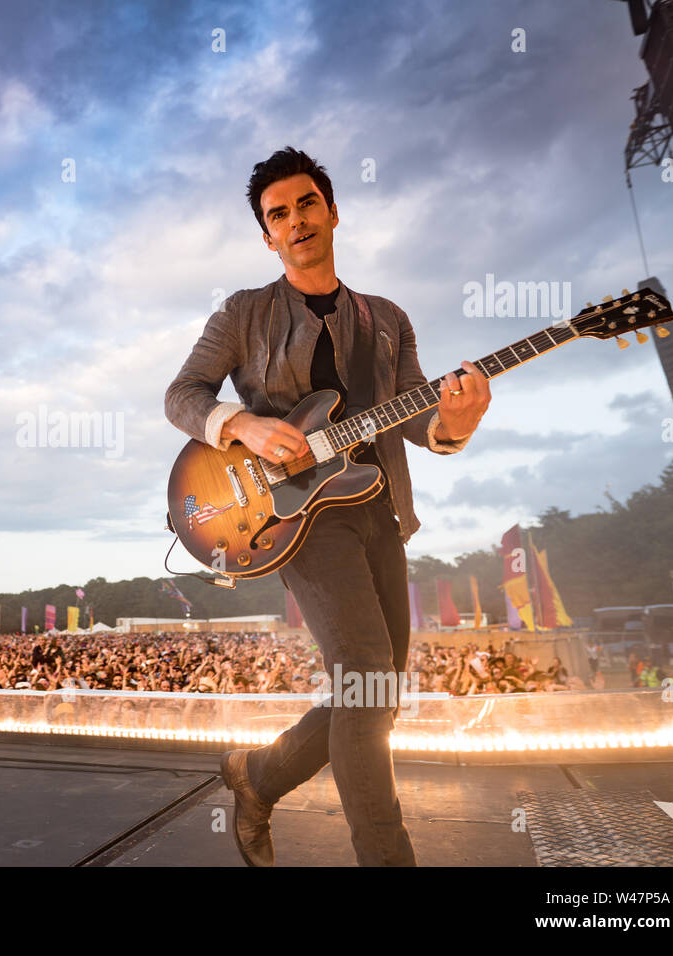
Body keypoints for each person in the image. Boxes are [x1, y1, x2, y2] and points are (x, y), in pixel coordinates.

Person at [164, 147, 490, 866]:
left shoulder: (387, 318)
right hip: (296, 517)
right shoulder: (244, 314)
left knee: (376, 692)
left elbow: (414, 416)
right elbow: (182, 396)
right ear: (267, 236)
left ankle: (259, 774)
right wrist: (241, 425)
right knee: (367, 674)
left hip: (380, 510)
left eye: (306, 203)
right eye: (278, 214)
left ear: (332, 212)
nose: (296, 220)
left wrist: (453, 426)